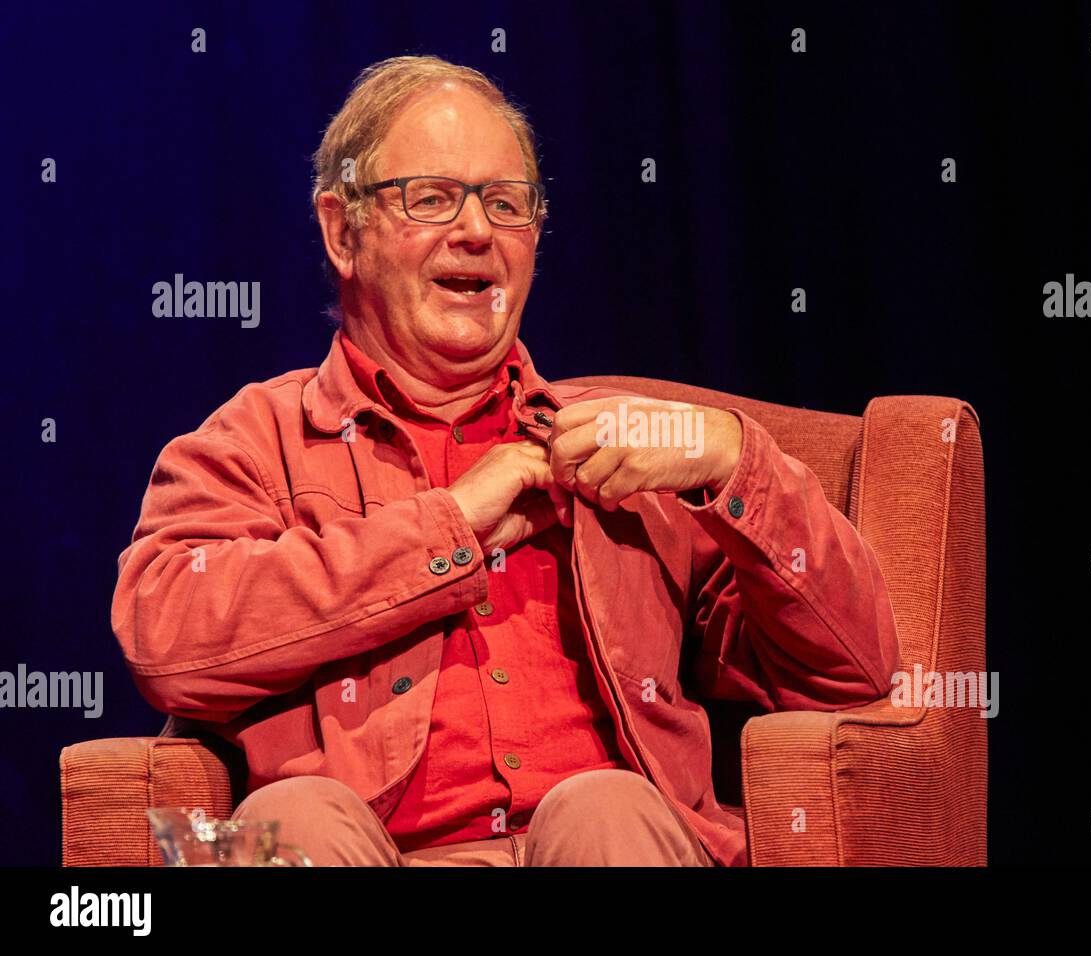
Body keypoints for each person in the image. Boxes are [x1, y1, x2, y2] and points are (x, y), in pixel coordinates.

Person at [111, 55, 900, 866]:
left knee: (606, 807)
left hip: (603, 847)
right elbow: (163, 637)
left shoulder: (625, 454)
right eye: (431, 197)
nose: (477, 231)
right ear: (343, 232)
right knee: (290, 820)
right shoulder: (255, 440)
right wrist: (449, 524)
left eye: (506, 203)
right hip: (363, 849)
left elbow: (857, 671)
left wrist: (736, 460)